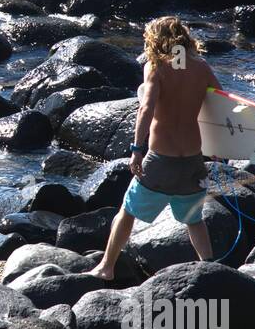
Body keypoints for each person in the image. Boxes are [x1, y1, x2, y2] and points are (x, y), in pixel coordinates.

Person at [91, 16, 220, 281]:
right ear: (184, 38)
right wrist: (219, 146)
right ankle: (210, 268)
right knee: (194, 219)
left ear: (156, 40)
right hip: (193, 160)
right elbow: (220, 106)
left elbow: (146, 108)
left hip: (161, 161)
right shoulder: (202, 67)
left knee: (127, 212)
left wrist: (136, 149)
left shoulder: (157, 67)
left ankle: (106, 267)